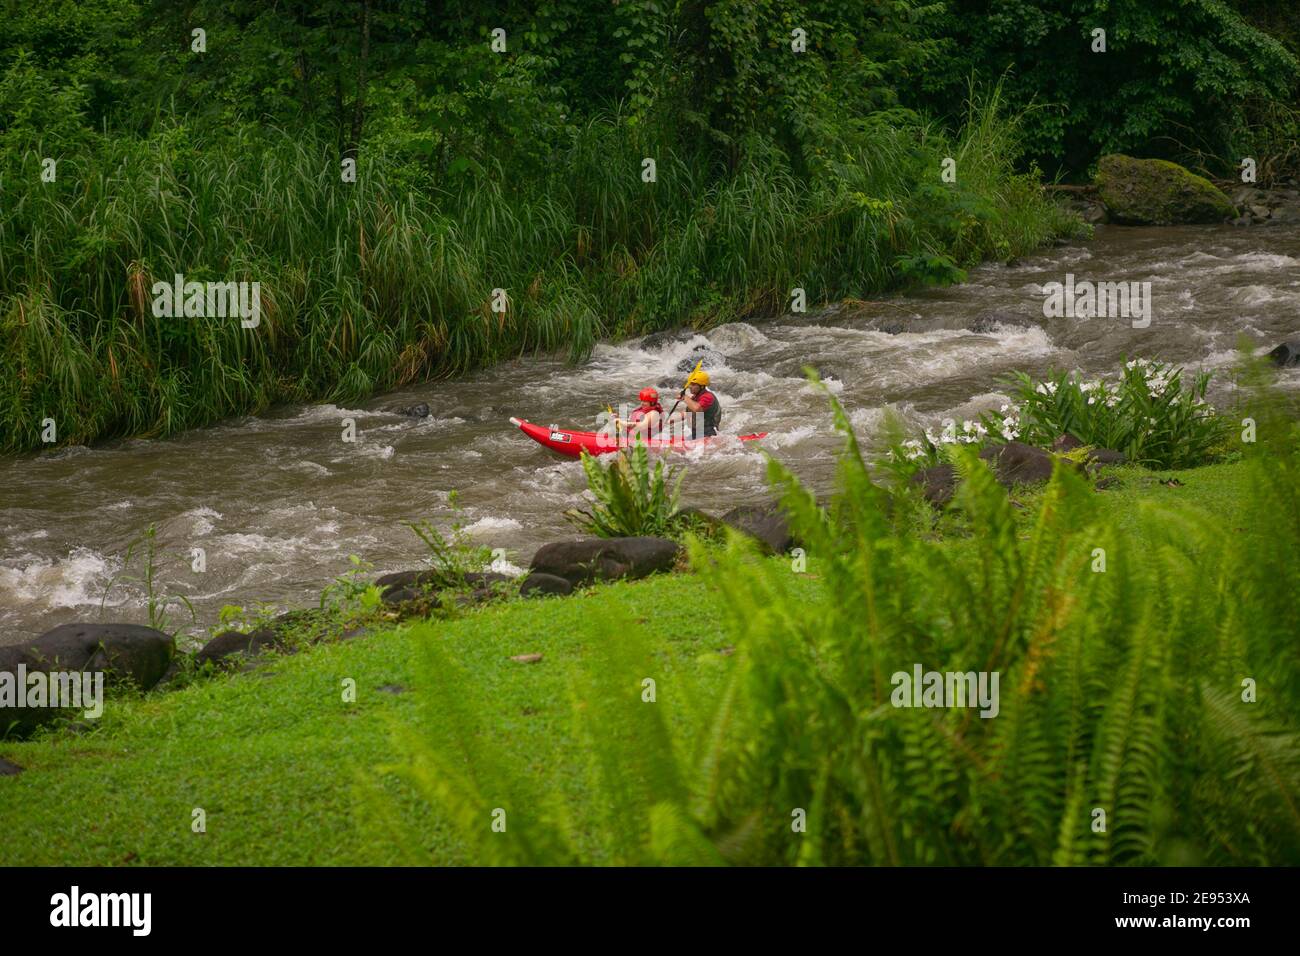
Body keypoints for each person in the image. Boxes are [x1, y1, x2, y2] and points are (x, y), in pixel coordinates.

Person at [668, 369, 721, 438]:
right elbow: (688, 413)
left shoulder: (708, 397)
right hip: (698, 432)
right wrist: (670, 420)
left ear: (702, 386)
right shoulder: (695, 398)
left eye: (693, 384)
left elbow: (697, 409)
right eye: (690, 384)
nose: (690, 386)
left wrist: (684, 397)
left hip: (708, 433)